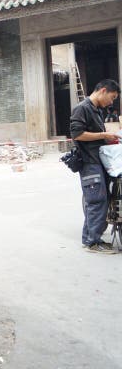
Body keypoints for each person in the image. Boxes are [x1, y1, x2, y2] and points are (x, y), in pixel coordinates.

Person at [70, 78, 120, 253]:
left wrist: (108, 139)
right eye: (112, 97)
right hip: (89, 162)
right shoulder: (82, 108)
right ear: (103, 91)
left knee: (98, 201)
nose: (112, 102)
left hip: (97, 161)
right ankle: (93, 243)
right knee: (97, 201)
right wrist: (103, 135)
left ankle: (90, 238)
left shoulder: (97, 110)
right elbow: (77, 134)